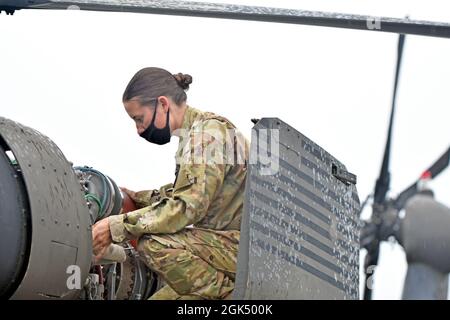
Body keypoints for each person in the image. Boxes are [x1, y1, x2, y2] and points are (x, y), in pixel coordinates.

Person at [92, 67, 249, 300]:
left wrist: (116, 227)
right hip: (226, 249)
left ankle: (229, 298)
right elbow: (182, 193)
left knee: (153, 243)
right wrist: (136, 197)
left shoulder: (206, 134)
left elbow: (187, 208)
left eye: (139, 118)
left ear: (163, 104)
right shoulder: (195, 134)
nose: (139, 129)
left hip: (242, 252)